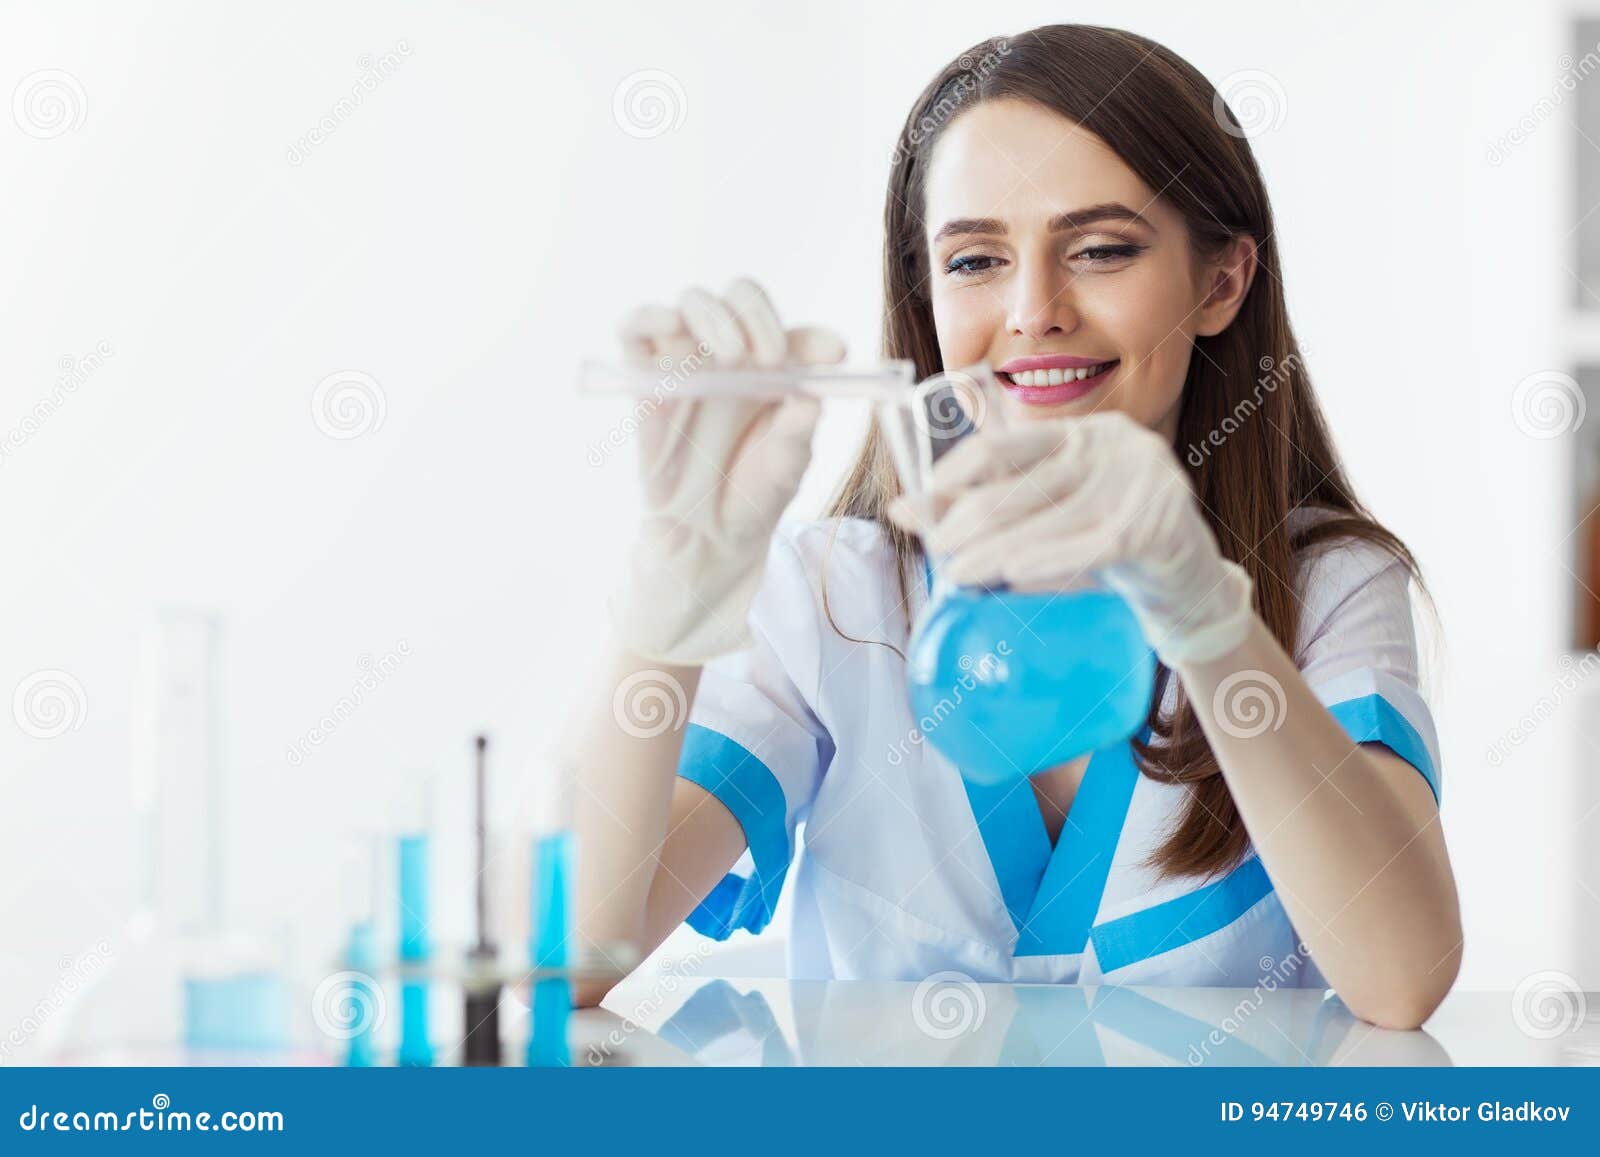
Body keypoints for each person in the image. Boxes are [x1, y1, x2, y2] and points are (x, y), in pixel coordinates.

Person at [566, 23, 1460, 1030]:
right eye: (977, 258)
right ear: (925, 292)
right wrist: (664, 611)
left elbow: (1400, 978)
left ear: (1220, 282)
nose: (1034, 310)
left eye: (1099, 250)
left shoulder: (1326, 586)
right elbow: (572, 958)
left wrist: (1209, 623)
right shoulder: (834, 597)